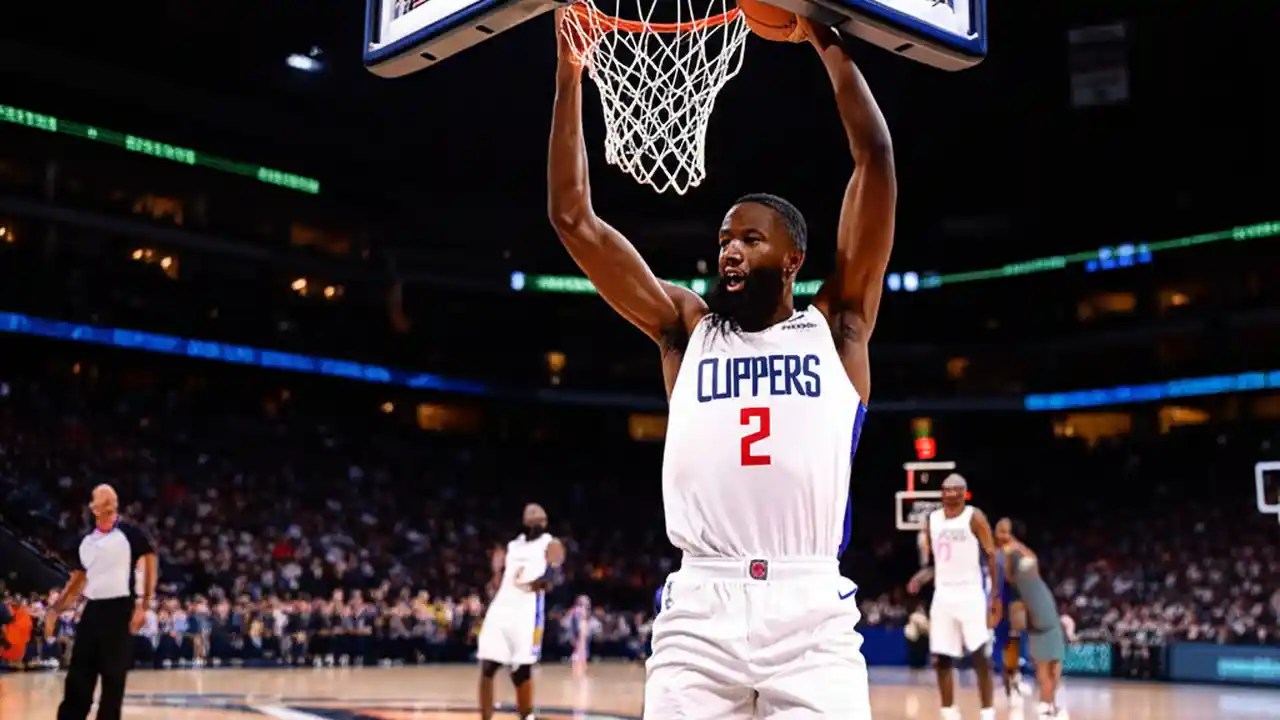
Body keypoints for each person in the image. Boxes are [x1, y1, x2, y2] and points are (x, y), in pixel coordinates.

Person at [550, 8, 895, 717]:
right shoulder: (685, 331)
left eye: (750, 239)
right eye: (724, 238)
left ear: (792, 259)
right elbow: (573, 219)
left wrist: (823, 40)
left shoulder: (839, 327)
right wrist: (570, 72)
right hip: (701, 607)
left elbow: (876, 161)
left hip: (809, 611)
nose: (730, 249)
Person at [46, 484, 156, 720]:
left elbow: (149, 561)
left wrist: (144, 605)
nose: (109, 505)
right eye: (103, 501)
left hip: (121, 608)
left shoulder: (131, 534)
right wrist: (56, 609)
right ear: (93, 508)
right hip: (93, 609)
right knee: (78, 673)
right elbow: (77, 582)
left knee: (113, 678)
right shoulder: (85, 541)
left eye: (112, 500)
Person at [907, 474, 1001, 720]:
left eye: (954, 490)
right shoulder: (933, 520)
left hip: (970, 593)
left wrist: (995, 596)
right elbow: (936, 562)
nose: (949, 494)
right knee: (941, 656)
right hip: (943, 593)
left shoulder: (974, 516)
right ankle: (949, 710)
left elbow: (991, 555)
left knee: (980, 654)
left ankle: (987, 710)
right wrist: (921, 577)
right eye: (945, 490)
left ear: (963, 492)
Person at [476, 503, 566, 720]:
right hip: (502, 606)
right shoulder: (513, 545)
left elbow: (556, 572)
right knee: (488, 665)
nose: (537, 519)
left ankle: (526, 716)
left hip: (527, 609)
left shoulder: (550, 542)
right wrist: (495, 574)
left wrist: (542, 582)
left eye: (541, 517)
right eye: (533, 516)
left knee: (521, 670)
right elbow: (499, 578)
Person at [995, 518, 1068, 720]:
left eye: (1006, 530)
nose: (1003, 534)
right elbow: (1012, 572)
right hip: (1032, 611)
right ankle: (1043, 704)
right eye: (1000, 530)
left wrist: (1013, 543)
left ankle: (1048, 704)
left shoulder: (1023, 558)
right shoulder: (1008, 558)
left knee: (1053, 665)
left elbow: (1029, 558)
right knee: (1044, 663)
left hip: (1043, 608)